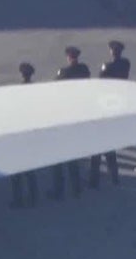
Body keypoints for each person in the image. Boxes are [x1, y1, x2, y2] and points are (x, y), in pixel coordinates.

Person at [49, 47, 87, 199]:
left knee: (59, 155)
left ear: (69, 58)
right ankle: (76, 185)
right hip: (79, 114)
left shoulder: (63, 73)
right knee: (74, 153)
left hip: (65, 115)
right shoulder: (84, 70)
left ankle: (59, 188)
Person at [90, 41, 127, 188]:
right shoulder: (125, 64)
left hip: (106, 105)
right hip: (118, 103)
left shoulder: (107, 67)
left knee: (98, 147)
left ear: (113, 52)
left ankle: (94, 179)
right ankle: (115, 175)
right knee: (110, 145)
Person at [10, 62, 38, 208]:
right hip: (32, 135)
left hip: (21, 135)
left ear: (22, 75)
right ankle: (34, 196)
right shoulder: (35, 89)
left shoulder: (19, 91)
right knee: (30, 169)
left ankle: (18, 199)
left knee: (17, 170)